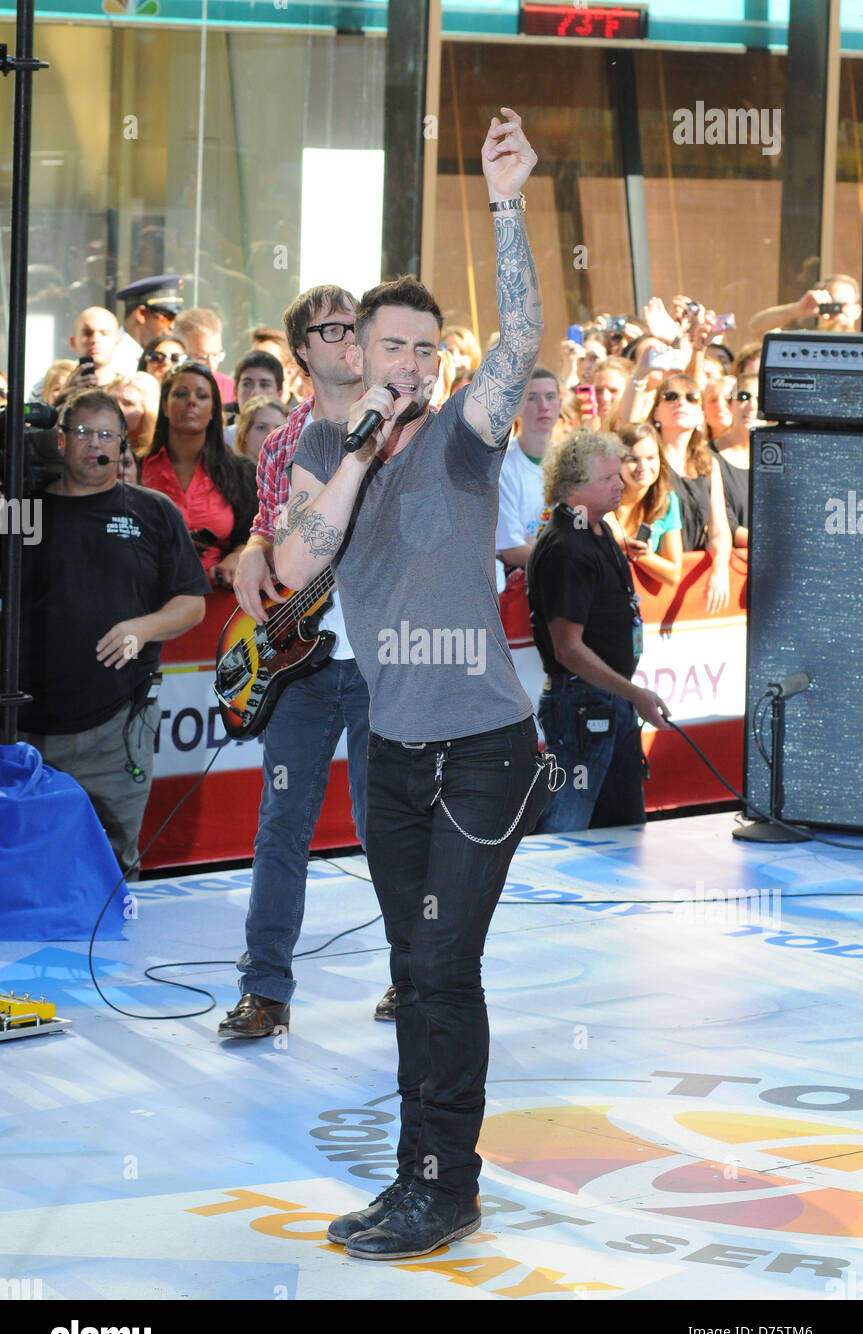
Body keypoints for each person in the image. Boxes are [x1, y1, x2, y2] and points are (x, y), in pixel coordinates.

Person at [275, 107, 550, 1260]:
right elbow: (293, 568)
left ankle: (449, 1185)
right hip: (390, 751)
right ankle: (415, 1177)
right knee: (411, 968)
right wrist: (352, 452)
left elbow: (521, 340)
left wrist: (502, 202)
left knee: (442, 965)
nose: (411, 365)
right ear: (352, 354)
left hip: (484, 745)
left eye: (425, 351)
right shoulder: (318, 458)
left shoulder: (462, 437)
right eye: (393, 348)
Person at [217, 282, 376, 1038]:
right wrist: (252, 550)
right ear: (302, 352)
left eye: (356, 325)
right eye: (330, 329)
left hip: (384, 657)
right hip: (302, 660)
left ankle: (415, 979)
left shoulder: (401, 427)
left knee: (393, 826)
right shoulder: (281, 445)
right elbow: (264, 526)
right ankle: (266, 991)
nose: (348, 337)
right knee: (282, 824)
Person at [19, 388, 207, 878]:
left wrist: (143, 627)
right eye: (82, 432)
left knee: (112, 866)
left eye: (107, 434)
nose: (94, 444)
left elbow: (191, 603)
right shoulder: (27, 512)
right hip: (27, 729)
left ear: (124, 444)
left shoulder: (153, 511)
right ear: (61, 441)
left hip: (117, 724)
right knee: (29, 862)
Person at [526, 429, 671, 835]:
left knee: (624, 826)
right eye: (608, 478)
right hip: (583, 707)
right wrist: (635, 694)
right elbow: (569, 649)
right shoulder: (567, 546)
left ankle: (621, 896)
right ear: (574, 486)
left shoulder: (600, 529)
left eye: (617, 475)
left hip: (609, 702)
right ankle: (551, 896)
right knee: (565, 826)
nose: (620, 484)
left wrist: (628, 695)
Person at [141, 362, 256, 588]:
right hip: (149, 597)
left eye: (202, 396)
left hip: (217, 601)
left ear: (214, 410)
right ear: (165, 406)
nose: (191, 401)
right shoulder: (136, 468)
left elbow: (253, 537)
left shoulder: (240, 471)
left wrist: (237, 556)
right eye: (181, 394)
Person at [649, 372, 731, 612]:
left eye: (692, 397)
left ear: (700, 415)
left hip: (693, 580)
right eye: (670, 396)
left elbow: (719, 529)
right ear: (656, 412)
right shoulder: (646, 459)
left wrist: (720, 568)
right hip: (652, 574)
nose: (681, 402)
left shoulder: (708, 462)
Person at [495, 366, 561, 573]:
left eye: (550, 397)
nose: (543, 407)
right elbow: (511, 550)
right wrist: (566, 564)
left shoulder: (572, 461)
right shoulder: (502, 468)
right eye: (532, 398)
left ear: (560, 403)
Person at [605, 422, 682, 586]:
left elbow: (673, 574)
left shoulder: (668, 500)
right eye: (632, 459)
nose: (643, 467)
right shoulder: (599, 500)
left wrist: (632, 550)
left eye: (651, 458)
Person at [709, 373, 760, 547]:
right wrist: (769, 544)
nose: (752, 406)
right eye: (743, 397)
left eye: (760, 399)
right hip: (731, 564)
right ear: (730, 404)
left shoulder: (781, 459)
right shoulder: (708, 456)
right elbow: (725, 525)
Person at [749, 273, 862, 337]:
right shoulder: (805, 342)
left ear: (857, 311)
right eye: (831, 305)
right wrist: (798, 309)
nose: (836, 311)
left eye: (843, 305)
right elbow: (757, 326)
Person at [114, 275, 185, 376]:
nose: (172, 326)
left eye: (175, 318)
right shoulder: (117, 356)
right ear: (142, 314)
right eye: (168, 317)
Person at [173, 307, 236, 402]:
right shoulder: (168, 388)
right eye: (202, 357)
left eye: (216, 355)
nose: (212, 364)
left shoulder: (229, 388)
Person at [223, 350, 284, 445]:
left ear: (279, 394)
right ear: (236, 391)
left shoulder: (292, 441)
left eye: (264, 385)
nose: (255, 392)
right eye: (247, 384)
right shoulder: (222, 441)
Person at [108, 371, 161, 458]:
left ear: (148, 411)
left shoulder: (157, 456)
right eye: (111, 401)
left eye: (127, 403)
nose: (115, 409)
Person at [235, 395, 292, 465]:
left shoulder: (297, 473)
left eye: (279, 429)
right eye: (262, 428)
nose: (271, 435)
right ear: (243, 433)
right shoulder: (229, 472)